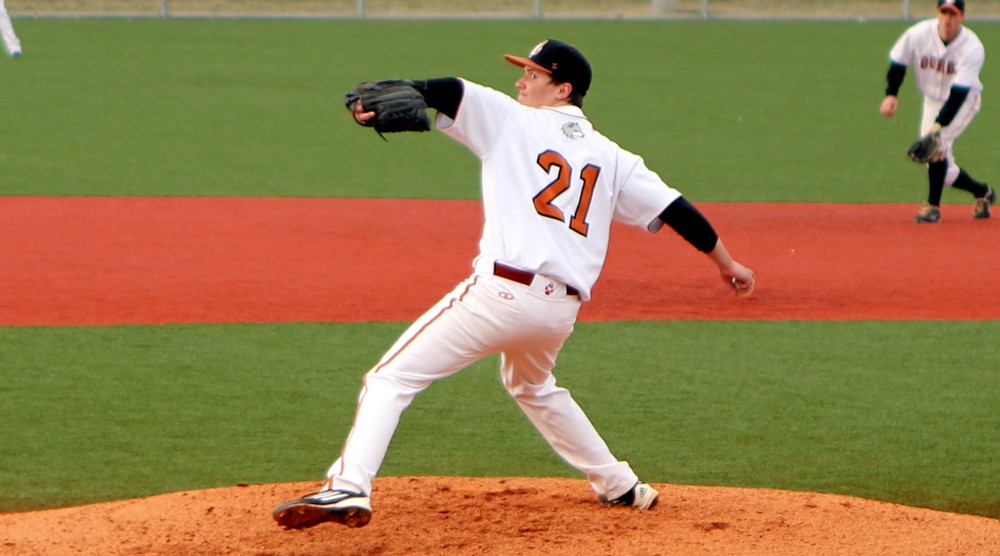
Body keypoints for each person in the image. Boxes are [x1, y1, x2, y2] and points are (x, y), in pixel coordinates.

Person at [272, 39, 756, 530]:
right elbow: (678, 211)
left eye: (533, 75)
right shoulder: (613, 157)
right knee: (533, 384)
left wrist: (410, 90)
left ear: (562, 88)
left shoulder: (512, 119)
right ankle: (620, 484)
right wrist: (727, 263)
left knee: (391, 379)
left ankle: (349, 487)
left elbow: (452, 90)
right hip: (557, 314)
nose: (521, 81)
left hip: (500, 296)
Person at [879, 0, 992, 223]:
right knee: (943, 168)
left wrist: (938, 126)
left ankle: (932, 207)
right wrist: (891, 94)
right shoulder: (918, 34)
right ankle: (983, 192)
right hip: (932, 100)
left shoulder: (972, 47)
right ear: (937, 13)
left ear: (962, 17)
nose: (948, 19)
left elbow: (959, 93)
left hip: (963, 102)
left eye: (954, 13)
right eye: (944, 12)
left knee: (936, 147)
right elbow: (898, 62)